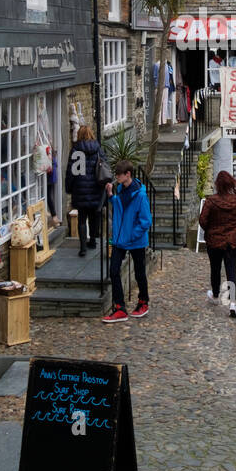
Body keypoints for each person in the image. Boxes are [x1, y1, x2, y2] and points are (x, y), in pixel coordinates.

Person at [103, 160, 152, 323]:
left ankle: (143, 302)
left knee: (139, 273)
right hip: (119, 240)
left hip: (135, 240)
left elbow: (146, 221)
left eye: (119, 174)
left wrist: (131, 235)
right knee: (114, 270)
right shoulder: (120, 189)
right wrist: (111, 196)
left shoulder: (140, 195)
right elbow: (120, 206)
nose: (116, 177)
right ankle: (120, 308)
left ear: (128, 175)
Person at [199, 169, 236, 320]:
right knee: (231, 271)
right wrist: (232, 227)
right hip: (232, 241)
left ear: (217, 185)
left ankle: (215, 295)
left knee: (215, 269)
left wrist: (212, 229)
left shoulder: (211, 201)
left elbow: (202, 220)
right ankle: (232, 303)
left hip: (214, 241)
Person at [65, 125, 112, 255]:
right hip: (96, 188)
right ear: (91, 134)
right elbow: (105, 166)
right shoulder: (98, 149)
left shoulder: (76, 151)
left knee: (81, 218)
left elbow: (71, 172)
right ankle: (93, 240)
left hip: (80, 189)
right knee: (93, 216)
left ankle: (83, 248)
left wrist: (69, 188)